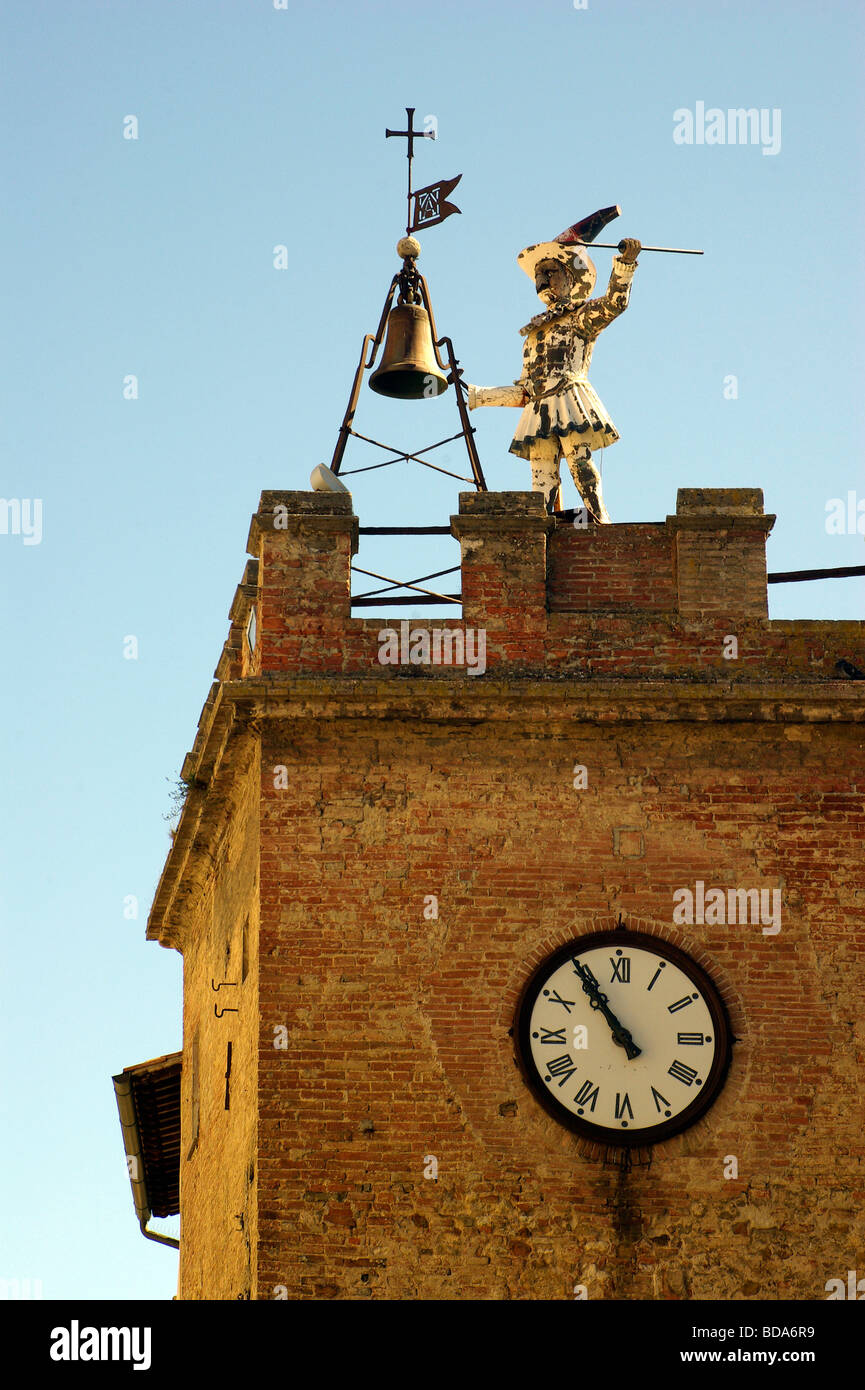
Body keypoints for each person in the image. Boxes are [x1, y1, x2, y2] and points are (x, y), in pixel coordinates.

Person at [467, 208, 641, 522]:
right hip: (539, 409)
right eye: (539, 274)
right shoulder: (533, 335)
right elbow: (525, 390)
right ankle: (541, 528)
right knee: (541, 477)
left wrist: (625, 265)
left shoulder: (580, 317)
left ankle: (597, 520)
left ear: (569, 276)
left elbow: (615, 303)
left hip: (571, 398)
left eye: (551, 272)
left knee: (580, 464)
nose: (543, 280)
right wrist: (480, 395)